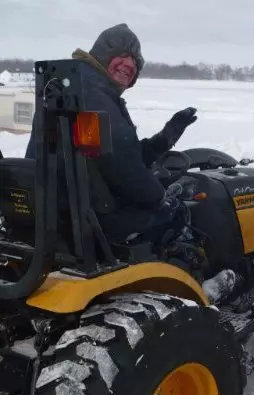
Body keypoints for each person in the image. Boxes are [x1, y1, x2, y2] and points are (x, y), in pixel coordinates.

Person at [25, 23, 198, 249]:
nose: (129, 64)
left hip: (58, 211)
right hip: (87, 222)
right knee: (177, 214)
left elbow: (110, 154)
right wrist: (159, 197)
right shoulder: (93, 94)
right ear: (103, 54)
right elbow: (126, 169)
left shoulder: (73, 86)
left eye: (135, 61)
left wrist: (165, 138)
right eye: (122, 55)